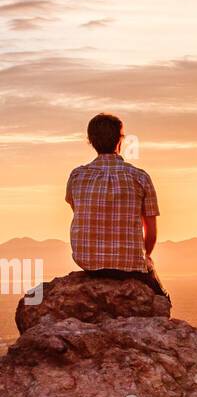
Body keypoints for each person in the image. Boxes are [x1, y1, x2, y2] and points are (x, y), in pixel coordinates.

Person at [65, 113, 170, 300]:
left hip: (88, 262)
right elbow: (151, 233)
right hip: (129, 266)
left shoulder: (77, 176)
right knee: (162, 298)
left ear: (90, 141)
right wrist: (147, 256)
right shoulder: (140, 177)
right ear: (120, 141)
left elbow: (79, 212)